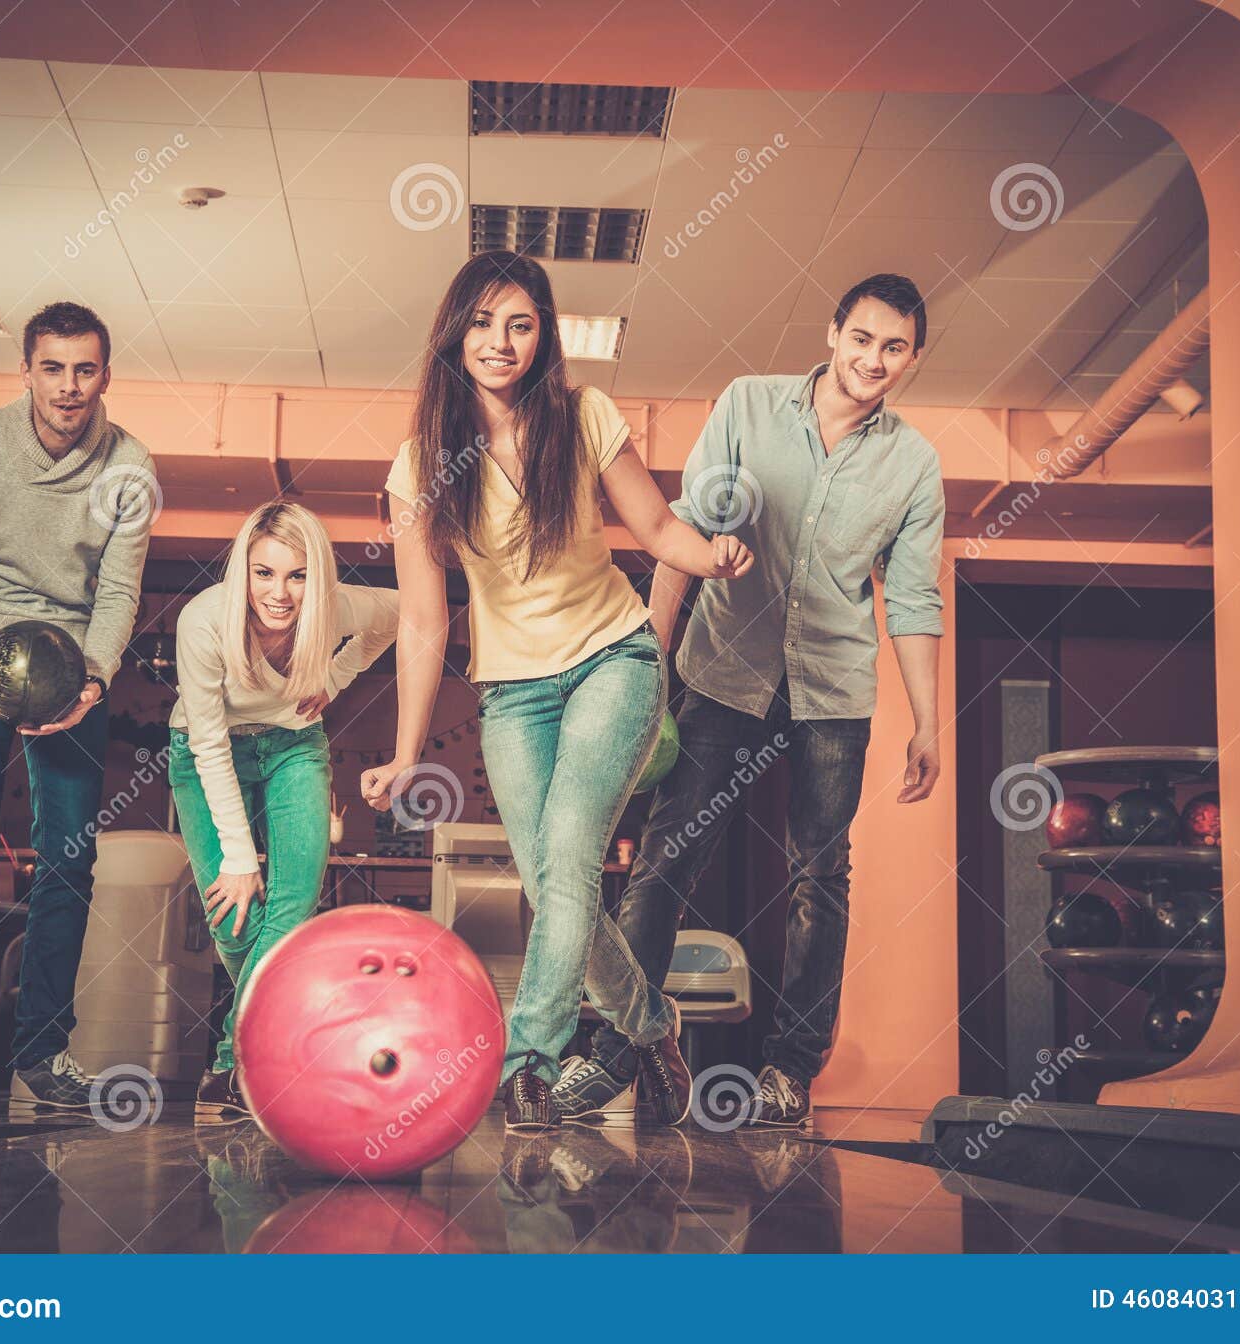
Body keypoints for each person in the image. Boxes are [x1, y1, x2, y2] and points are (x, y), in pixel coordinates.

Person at [361, 251, 754, 1133]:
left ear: (543, 337)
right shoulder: (421, 463)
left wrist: (712, 555)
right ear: (454, 334)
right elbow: (425, 619)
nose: (501, 342)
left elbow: (655, 528)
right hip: (513, 692)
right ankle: (651, 1025)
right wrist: (404, 748)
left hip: (613, 661)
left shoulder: (584, 417)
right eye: (483, 323)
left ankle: (529, 1061)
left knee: (571, 855)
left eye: (521, 324)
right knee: (551, 880)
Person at [568, 273, 946, 1130]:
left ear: (912, 359)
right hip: (722, 670)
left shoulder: (914, 464)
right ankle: (618, 1052)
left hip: (832, 691)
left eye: (893, 348)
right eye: (861, 338)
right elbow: (680, 532)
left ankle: (790, 1070)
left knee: (822, 873)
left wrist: (928, 721)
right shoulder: (747, 403)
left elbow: (915, 599)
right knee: (666, 861)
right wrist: (648, 664)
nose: (872, 360)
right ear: (832, 333)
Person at [0, 301, 154, 1111]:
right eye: (53, 367)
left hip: (72, 663)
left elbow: (116, 591)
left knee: (70, 856)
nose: (69, 386)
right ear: (27, 370)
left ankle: (43, 1049)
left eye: (86, 369)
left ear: (105, 375)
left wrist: (95, 679)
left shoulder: (131, 469)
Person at [169, 502, 398, 1121]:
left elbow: (400, 614)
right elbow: (211, 744)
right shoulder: (203, 622)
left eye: (297, 575)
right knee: (231, 918)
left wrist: (338, 674)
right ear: (242, 570)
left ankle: (235, 1064)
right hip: (204, 753)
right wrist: (241, 860)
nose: (280, 592)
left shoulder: (338, 607)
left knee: (291, 910)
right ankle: (287, 1039)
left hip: (295, 745)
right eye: (264, 573)